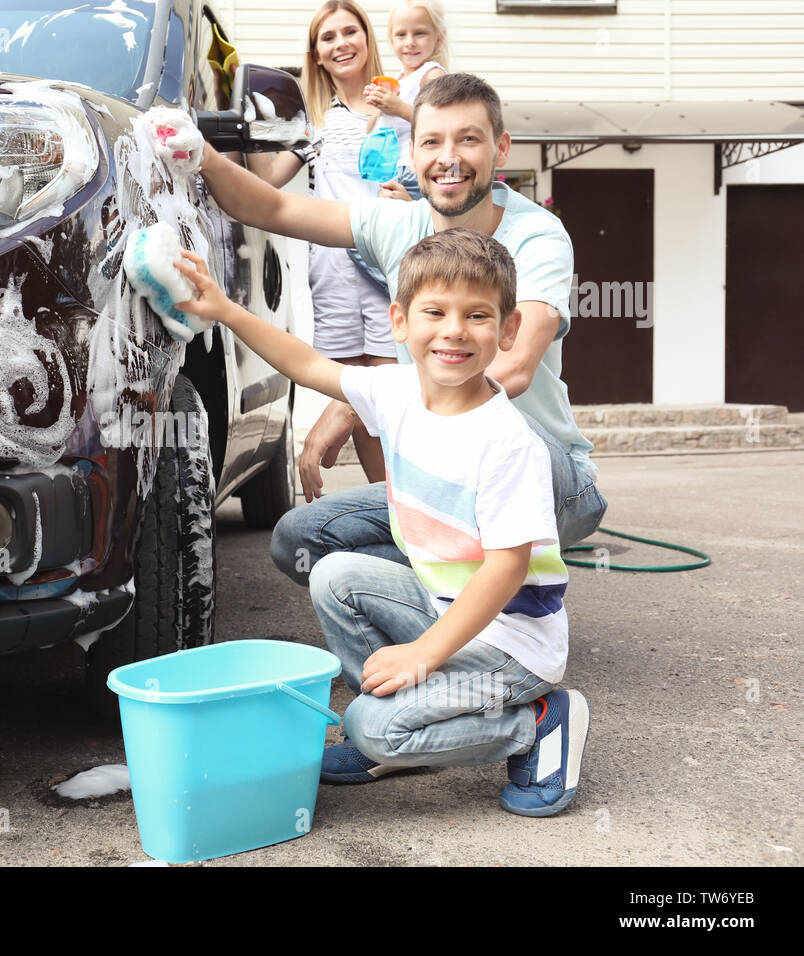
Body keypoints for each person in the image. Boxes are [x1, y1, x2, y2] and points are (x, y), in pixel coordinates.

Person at [171, 228, 590, 816]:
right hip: (444, 608)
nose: (453, 330)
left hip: (513, 647)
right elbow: (307, 363)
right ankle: (406, 709)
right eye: (435, 312)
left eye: (477, 315)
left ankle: (533, 724)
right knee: (335, 573)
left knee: (371, 727)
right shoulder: (395, 390)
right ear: (400, 320)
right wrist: (225, 309)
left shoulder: (507, 443)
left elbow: (507, 568)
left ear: (509, 329)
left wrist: (423, 653)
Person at [186, 71, 604, 581]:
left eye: (468, 139)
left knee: (489, 444)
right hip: (444, 477)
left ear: (501, 148)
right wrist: (199, 153)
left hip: (550, 475)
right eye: (431, 141)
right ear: (413, 152)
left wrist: (360, 404)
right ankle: (458, 595)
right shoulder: (397, 225)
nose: (448, 157)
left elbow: (511, 372)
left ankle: (493, 589)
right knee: (301, 540)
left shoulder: (537, 236)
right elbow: (267, 205)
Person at [245, 1, 398, 482]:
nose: (341, 44)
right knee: (350, 389)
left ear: (368, 38)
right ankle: (389, 511)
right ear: (316, 56)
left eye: (350, 32)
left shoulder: (399, 107)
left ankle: (423, 511)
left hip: (391, 266)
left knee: (391, 392)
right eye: (328, 38)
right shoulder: (313, 120)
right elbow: (267, 183)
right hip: (333, 273)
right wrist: (247, 129)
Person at [364, 0, 449, 199]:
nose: (410, 42)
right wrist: (379, 105)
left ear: (439, 37)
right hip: (391, 169)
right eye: (401, 34)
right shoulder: (397, 79)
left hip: (416, 170)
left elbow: (440, 123)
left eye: (419, 33)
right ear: (392, 40)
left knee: (417, 223)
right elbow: (370, 130)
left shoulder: (432, 74)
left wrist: (398, 107)